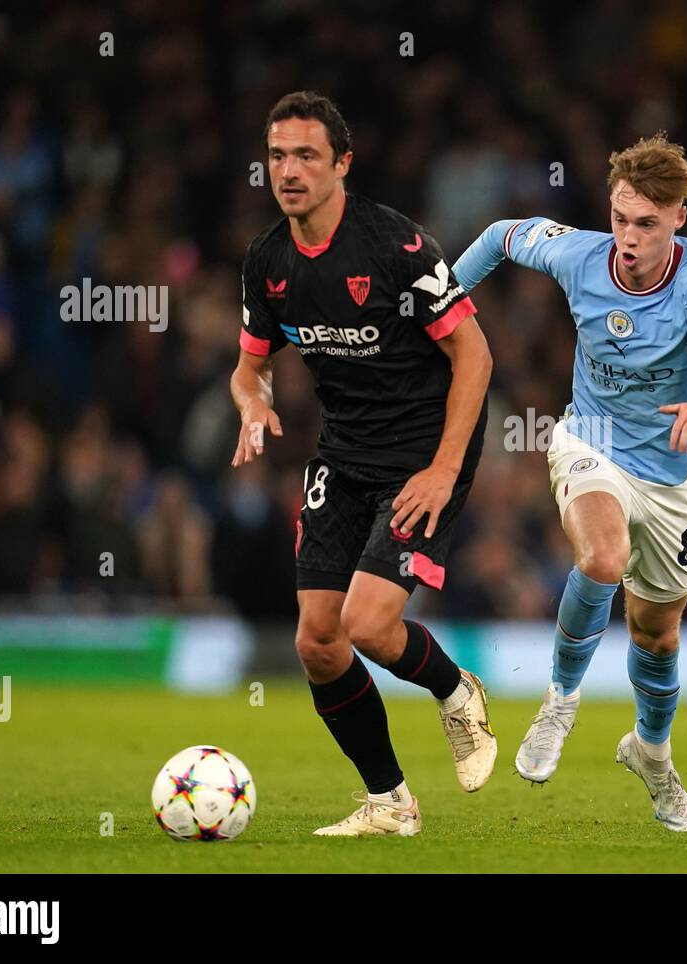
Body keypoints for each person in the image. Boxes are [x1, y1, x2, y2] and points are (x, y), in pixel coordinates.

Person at [454, 133, 687, 831]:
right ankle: (559, 704)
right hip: (589, 441)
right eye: (622, 218)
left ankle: (652, 756)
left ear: (680, 217)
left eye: (647, 224)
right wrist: (440, 305)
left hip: (673, 477)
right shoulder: (580, 253)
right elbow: (503, 236)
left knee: (657, 637)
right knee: (601, 557)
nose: (628, 237)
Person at [230, 91, 497, 837]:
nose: (290, 170)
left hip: (422, 454)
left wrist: (444, 471)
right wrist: (251, 402)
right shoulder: (267, 260)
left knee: (371, 624)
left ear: (342, 163)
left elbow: (473, 354)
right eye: (278, 155)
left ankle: (456, 693)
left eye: (307, 155)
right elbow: (247, 367)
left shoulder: (395, 246)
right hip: (343, 453)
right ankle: (390, 802)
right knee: (317, 639)